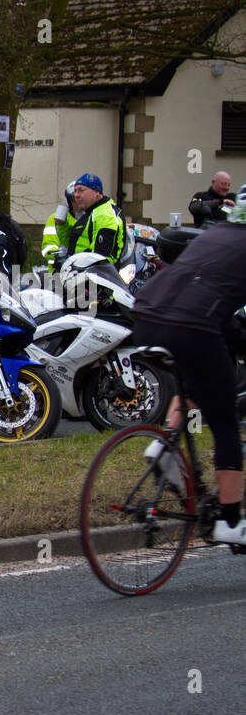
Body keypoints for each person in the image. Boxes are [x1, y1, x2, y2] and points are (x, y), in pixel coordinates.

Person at [129, 198, 246, 545]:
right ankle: (229, 520)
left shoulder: (215, 233)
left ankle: (164, 445)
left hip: (148, 314)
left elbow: (213, 297)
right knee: (225, 421)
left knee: (194, 381)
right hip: (191, 325)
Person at [64, 173, 125, 264]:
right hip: (77, 272)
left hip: (93, 275)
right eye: (75, 191)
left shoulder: (104, 214)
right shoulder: (91, 212)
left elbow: (100, 256)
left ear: (97, 192)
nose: (76, 195)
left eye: (81, 190)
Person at [41, 180, 77, 270]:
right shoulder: (56, 219)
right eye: (74, 199)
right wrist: (60, 256)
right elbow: (48, 246)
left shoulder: (90, 217)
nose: (78, 203)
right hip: (57, 272)